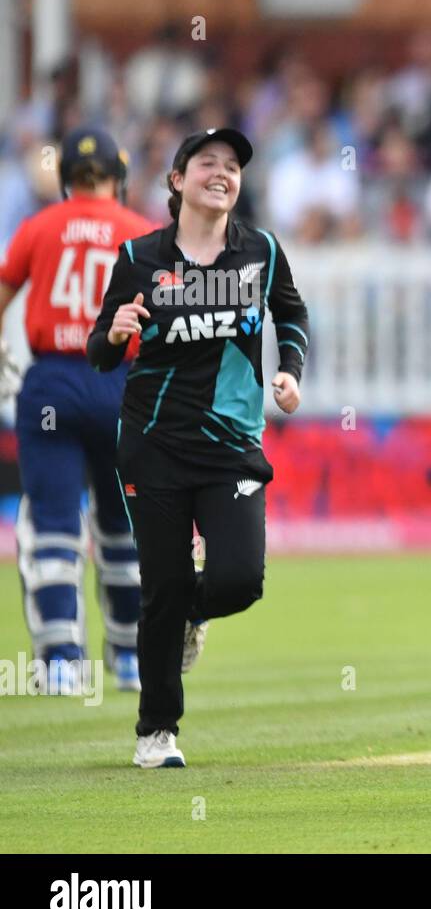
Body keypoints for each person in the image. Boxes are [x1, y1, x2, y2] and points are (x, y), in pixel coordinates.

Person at [86, 128, 310, 768]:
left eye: (233, 165)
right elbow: (100, 351)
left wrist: (290, 368)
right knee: (162, 584)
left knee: (238, 580)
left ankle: (193, 612)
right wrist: (118, 330)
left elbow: (290, 314)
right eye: (207, 162)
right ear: (177, 181)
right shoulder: (138, 257)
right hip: (152, 443)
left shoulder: (261, 252)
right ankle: (156, 731)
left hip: (231, 443)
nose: (223, 173)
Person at [0, 127, 154, 695]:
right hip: (119, 384)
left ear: (65, 176)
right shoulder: (139, 232)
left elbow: (3, 292)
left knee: (54, 523)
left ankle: (63, 661)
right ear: (119, 174)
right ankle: (132, 658)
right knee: (124, 526)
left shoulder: (38, 226)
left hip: (53, 384)